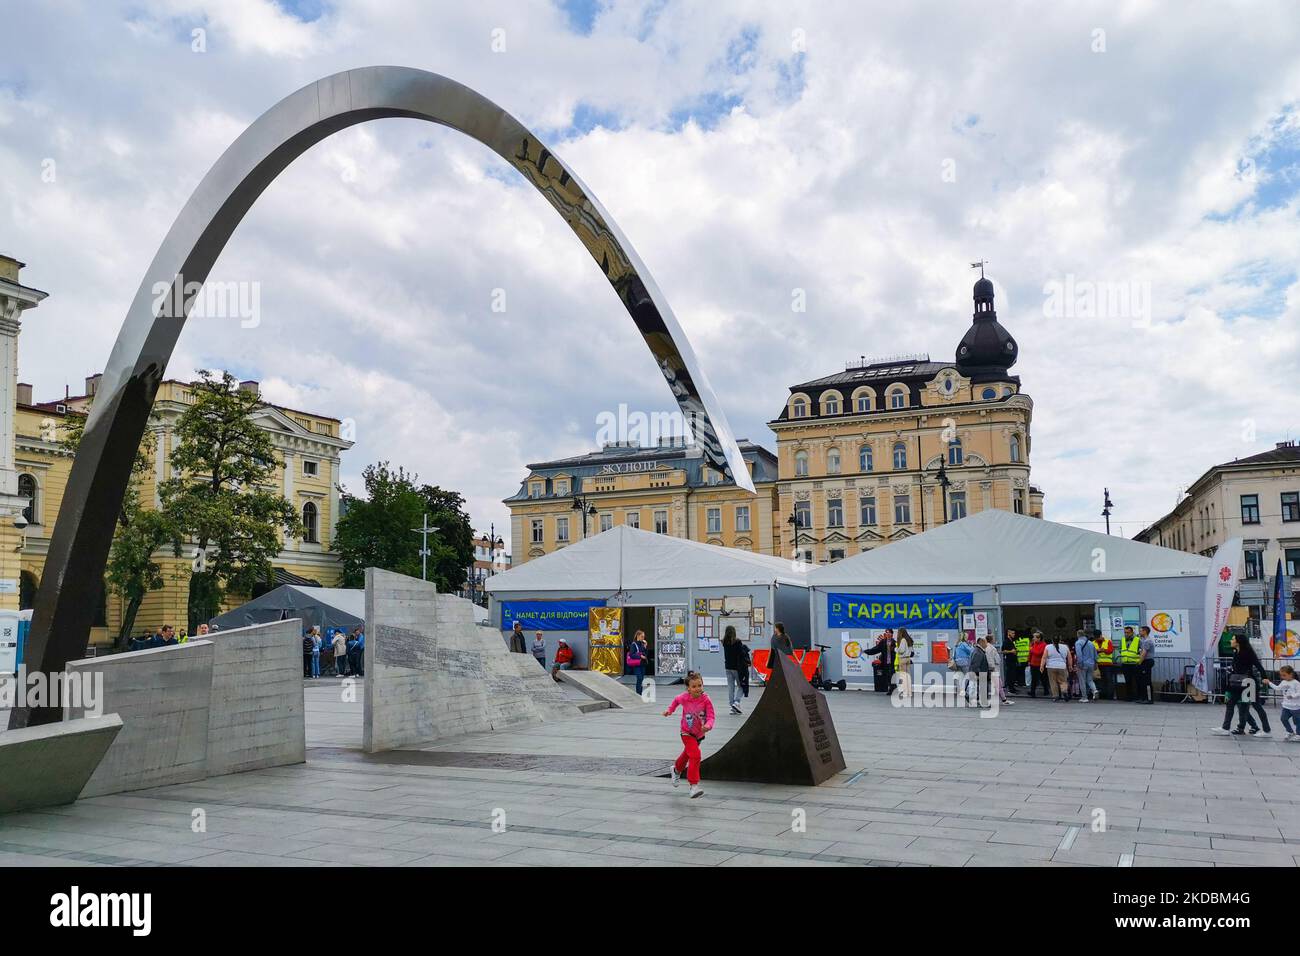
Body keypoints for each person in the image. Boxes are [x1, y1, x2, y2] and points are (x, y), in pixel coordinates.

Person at [664, 671, 715, 799]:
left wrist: (708, 725)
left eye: (700, 685)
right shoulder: (684, 697)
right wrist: (670, 710)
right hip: (686, 732)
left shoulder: (706, 700)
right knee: (696, 755)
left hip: (699, 733)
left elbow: (711, 716)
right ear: (688, 688)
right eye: (694, 686)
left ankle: (676, 769)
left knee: (687, 754)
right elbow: (676, 700)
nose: (697, 689)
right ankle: (693, 786)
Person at [1212, 635, 1271, 737]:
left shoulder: (1248, 652)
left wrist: (1264, 677)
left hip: (1248, 683)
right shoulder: (1236, 652)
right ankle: (1226, 728)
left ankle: (1267, 730)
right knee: (1231, 703)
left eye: (1233, 639)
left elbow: (1258, 665)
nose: (1231, 640)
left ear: (1238, 642)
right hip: (1238, 684)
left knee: (1256, 706)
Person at [1264, 665, 1300, 741]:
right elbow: (1277, 688)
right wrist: (1269, 683)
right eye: (1281, 675)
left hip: (1296, 707)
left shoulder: (1296, 683)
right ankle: (1290, 731)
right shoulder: (1283, 682)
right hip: (1286, 706)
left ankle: (1298, 734)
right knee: (1283, 719)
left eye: (1284, 675)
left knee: (1297, 721)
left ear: (1290, 674)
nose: (1282, 677)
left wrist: (1293, 696)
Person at [721, 626, 745, 714]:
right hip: (737, 668)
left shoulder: (724, 642)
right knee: (742, 686)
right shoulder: (737, 642)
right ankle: (736, 702)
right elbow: (741, 654)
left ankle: (732, 705)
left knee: (731, 687)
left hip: (728, 667)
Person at [1042, 633, 1070, 701]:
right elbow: (1069, 657)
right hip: (1062, 666)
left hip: (1051, 666)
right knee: (1063, 681)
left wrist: (1041, 666)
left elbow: (1044, 657)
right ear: (1060, 640)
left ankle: (1056, 696)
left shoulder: (1048, 647)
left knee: (1053, 681)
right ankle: (1064, 692)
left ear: (1052, 640)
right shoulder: (1065, 647)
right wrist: (1070, 666)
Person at [1073, 629, 1098, 702]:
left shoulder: (1078, 643)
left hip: (1083, 664)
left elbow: (1079, 654)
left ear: (1078, 635)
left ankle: (1084, 697)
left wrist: (1079, 664)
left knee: (1082, 681)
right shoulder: (1091, 643)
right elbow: (1095, 654)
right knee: (1090, 680)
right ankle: (1095, 690)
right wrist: (1095, 663)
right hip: (1091, 664)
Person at [1118, 626, 1142, 702]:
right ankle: (1129, 697)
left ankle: (1138, 697)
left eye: (1128, 632)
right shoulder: (1122, 640)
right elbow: (1120, 649)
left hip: (1135, 663)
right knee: (1127, 681)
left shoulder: (1138, 640)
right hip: (1125, 663)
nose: (1126, 634)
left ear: (1132, 632)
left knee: (1137, 681)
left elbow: (1141, 650)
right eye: (1125, 632)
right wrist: (1122, 653)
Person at [1135, 625, 1157, 705]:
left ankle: (1149, 699)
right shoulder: (1143, 640)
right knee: (1142, 681)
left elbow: (1144, 653)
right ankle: (1143, 698)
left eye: (1141, 631)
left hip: (1147, 662)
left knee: (1147, 681)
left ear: (1145, 631)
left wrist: (1139, 663)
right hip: (1145, 662)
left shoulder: (1147, 641)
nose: (1139, 632)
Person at [1093, 629, 1115, 699]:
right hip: (1098, 665)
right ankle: (1102, 695)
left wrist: (1104, 650)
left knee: (1108, 680)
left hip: (1107, 664)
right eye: (1096, 637)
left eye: (1098, 637)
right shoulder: (1092, 643)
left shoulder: (1108, 641)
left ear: (1101, 635)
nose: (1097, 638)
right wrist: (1098, 651)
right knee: (1100, 681)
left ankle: (1110, 695)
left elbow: (1111, 651)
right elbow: (1091, 652)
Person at [627, 629, 650, 697]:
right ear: (638, 636)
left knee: (641, 679)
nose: (643, 638)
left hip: (642, 664)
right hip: (637, 664)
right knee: (639, 678)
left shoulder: (642, 644)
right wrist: (640, 656)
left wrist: (645, 646)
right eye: (642, 636)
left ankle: (640, 693)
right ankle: (638, 693)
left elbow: (646, 654)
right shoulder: (633, 644)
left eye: (644, 637)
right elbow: (631, 654)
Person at [953, 634, 975, 703]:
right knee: (968, 677)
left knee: (960, 677)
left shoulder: (957, 644)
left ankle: (960, 690)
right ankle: (965, 691)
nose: (967, 638)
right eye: (967, 637)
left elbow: (954, 655)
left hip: (957, 662)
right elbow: (971, 650)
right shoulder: (964, 644)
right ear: (964, 637)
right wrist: (972, 645)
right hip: (964, 662)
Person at [894, 628, 915, 699]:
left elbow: (901, 650)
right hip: (908, 659)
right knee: (908, 676)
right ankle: (909, 693)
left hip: (902, 659)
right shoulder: (909, 640)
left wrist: (896, 649)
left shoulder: (903, 640)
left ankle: (905, 693)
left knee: (903, 677)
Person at [1027, 631, 1049, 698]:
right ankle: (1032, 692)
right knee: (1034, 679)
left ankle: (1046, 691)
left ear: (1039, 638)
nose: (1033, 638)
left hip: (1041, 664)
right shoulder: (1033, 644)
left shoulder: (1044, 645)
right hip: (1033, 663)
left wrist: (1031, 650)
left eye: (1034, 637)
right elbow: (1030, 653)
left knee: (1043, 678)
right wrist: (1029, 660)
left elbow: (1039, 653)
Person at [1001, 630, 1020, 694]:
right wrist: (1011, 652)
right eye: (1012, 633)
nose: (1014, 634)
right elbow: (1003, 651)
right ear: (1008, 633)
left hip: (1013, 660)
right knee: (1010, 674)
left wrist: (1016, 651)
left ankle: (1013, 687)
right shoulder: (1006, 641)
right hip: (1009, 660)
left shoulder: (1012, 641)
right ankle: (1010, 689)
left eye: (1014, 633)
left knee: (1013, 674)